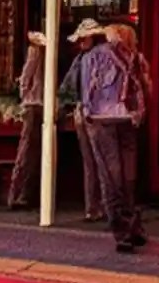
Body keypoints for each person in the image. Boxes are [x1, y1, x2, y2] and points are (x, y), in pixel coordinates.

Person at [68, 22, 148, 253]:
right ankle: (132, 224)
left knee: (111, 177)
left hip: (102, 119)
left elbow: (85, 91)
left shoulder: (90, 58)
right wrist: (138, 113)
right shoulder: (127, 54)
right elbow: (139, 85)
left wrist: (86, 112)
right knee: (127, 177)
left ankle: (122, 229)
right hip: (125, 118)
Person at [58, 18, 106, 223]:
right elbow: (67, 87)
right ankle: (94, 207)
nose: (81, 43)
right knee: (92, 162)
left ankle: (99, 205)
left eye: (84, 39)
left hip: (94, 112)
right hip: (85, 111)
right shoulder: (82, 60)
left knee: (98, 161)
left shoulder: (94, 58)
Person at [103, 23, 151, 224]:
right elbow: (147, 86)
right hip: (132, 115)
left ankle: (117, 210)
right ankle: (128, 207)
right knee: (128, 163)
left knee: (113, 166)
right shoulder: (138, 58)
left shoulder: (110, 59)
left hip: (113, 116)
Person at [7, 31, 48, 209]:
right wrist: (26, 97)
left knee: (31, 152)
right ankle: (17, 194)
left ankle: (22, 194)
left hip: (36, 104)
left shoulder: (42, 55)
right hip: (34, 105)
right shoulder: (36, 53)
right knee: (28, 151)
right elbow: (25, 79)